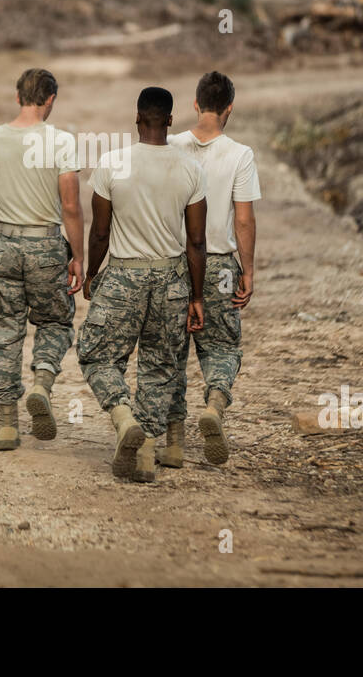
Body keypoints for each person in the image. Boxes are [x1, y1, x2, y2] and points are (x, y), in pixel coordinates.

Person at [77, 86, 207, 483]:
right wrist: (197, 296)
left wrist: (92, 273)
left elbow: (99, 232)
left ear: (137, 118)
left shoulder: (112, 163)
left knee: (96, 354)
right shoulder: (190, 168)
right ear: (170, 120)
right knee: (161, 366)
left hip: (124, 274)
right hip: (171, 279)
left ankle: (122, 417)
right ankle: (146, 455)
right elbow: (196, 242)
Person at [0, 69, 84, 450]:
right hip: (46, 246)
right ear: (50, 100)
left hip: (3, 244)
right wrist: (78, 256)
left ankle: (7, 425)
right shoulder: (62, 141)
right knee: (56, 323)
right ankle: (42, 383)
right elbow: (72, 206)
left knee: (3, 331)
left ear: (17, 97)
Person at [162, 72, 260, 466]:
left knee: (169, 353)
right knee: (221, 346)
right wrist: (247, 271)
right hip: (218, 264)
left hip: (174, 261)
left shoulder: (168, 146)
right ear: (230, 108)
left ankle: (172, 445)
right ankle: (214, 407)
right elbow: (245, 220)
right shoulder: (240, 154)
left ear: (195, 105)